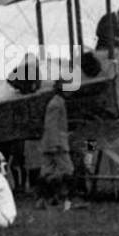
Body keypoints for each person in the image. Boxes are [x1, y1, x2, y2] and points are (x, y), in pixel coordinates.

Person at [37, 79, 74, 209]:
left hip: (49, 144)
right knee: (68, 171)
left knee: (46, 172)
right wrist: (56, 144)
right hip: (57, 144)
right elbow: (51, 125)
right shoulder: (57, 104)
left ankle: (43, 200)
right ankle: (67, 201)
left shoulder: (55, 102)